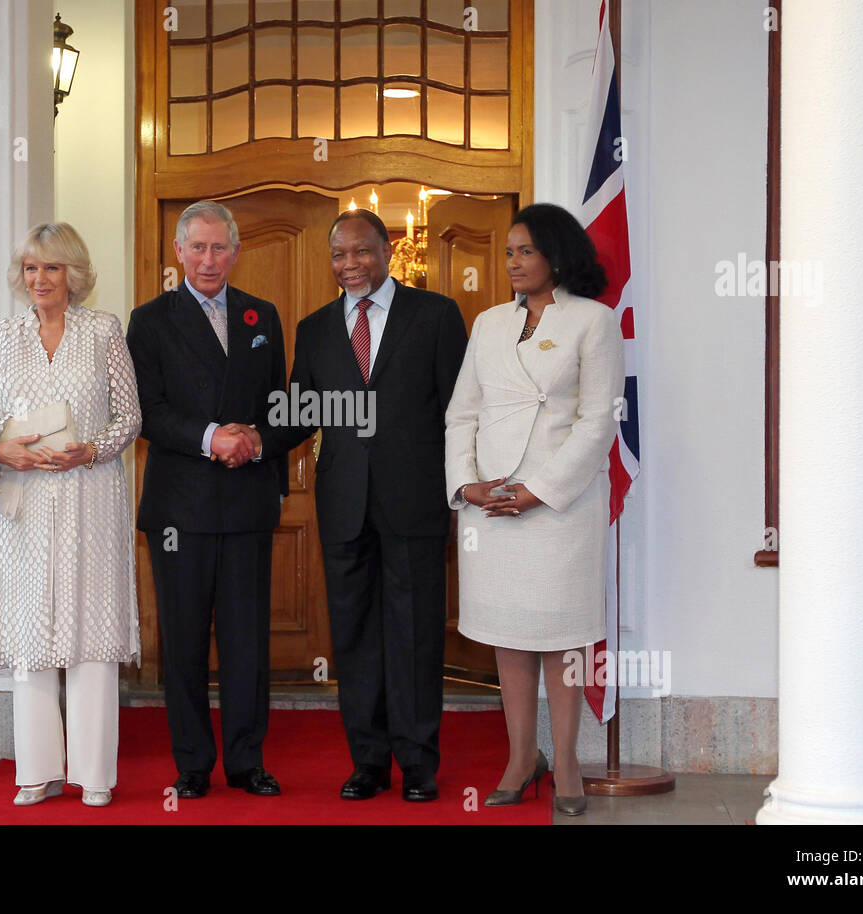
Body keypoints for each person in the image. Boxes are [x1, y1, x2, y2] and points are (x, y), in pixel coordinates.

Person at [260, 209, 468, 801]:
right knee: (353, 635)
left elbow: (462, 410)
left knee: (415, 634)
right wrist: (245, 440)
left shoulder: (436, 315)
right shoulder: (317, 327)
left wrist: (465, 488)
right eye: (338, 255)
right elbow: (299, 411)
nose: (350, 264)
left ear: (388, 250)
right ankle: (369, 763)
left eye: (362, 252)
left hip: (415, 503)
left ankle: (419, 765)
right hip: (343, 504)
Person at [444, 203, 625, 815]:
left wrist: (540, 490)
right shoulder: (489, 323)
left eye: (525, 251)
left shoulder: (594, 322)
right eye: (509, 253)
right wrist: (466, 486)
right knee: (508, 636)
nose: (514, 262)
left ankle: (567, 759)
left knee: (563, 636)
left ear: (556, 253)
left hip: (558, 506)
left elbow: (598, 421)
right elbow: (462, 412)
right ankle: (523, 758)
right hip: (491, 505)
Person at [0, 222, 142, 808]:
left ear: (74, 275)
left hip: (90, 496)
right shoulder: (0, 337)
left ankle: (95, 776)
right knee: (29, 631)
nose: (40, 279)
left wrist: (93, 449)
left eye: (53, 268)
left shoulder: (104, 331)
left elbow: (130, 416)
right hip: (24, 504)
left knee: (91, 637)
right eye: (32, 268)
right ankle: (36, 772)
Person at [126, 200, 289, 799]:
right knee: (186, 640)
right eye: (198, 247)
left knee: (248, 641)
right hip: (181, 511)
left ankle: (248, 761)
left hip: (246, 502)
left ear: (237, 252)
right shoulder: (149, 321)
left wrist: (254, 441)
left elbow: (281, 405)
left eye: (220, 247)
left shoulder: (261, 315)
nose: (209, 259)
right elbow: (148, 412)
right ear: (178, 252)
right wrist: (210, 438)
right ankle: (192, 762)